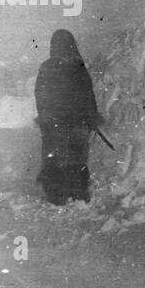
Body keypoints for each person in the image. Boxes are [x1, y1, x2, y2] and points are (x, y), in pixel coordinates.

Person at [35, 29, 100, 204]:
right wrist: (91, 116)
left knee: (58, 158)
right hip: (73, 122)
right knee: (74, 158)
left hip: (57, 123)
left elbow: (41, 96)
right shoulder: (77, 66)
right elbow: (88, 94)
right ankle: (76, 194)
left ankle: (57, 195)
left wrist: (45, 118)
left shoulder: (48, 67)